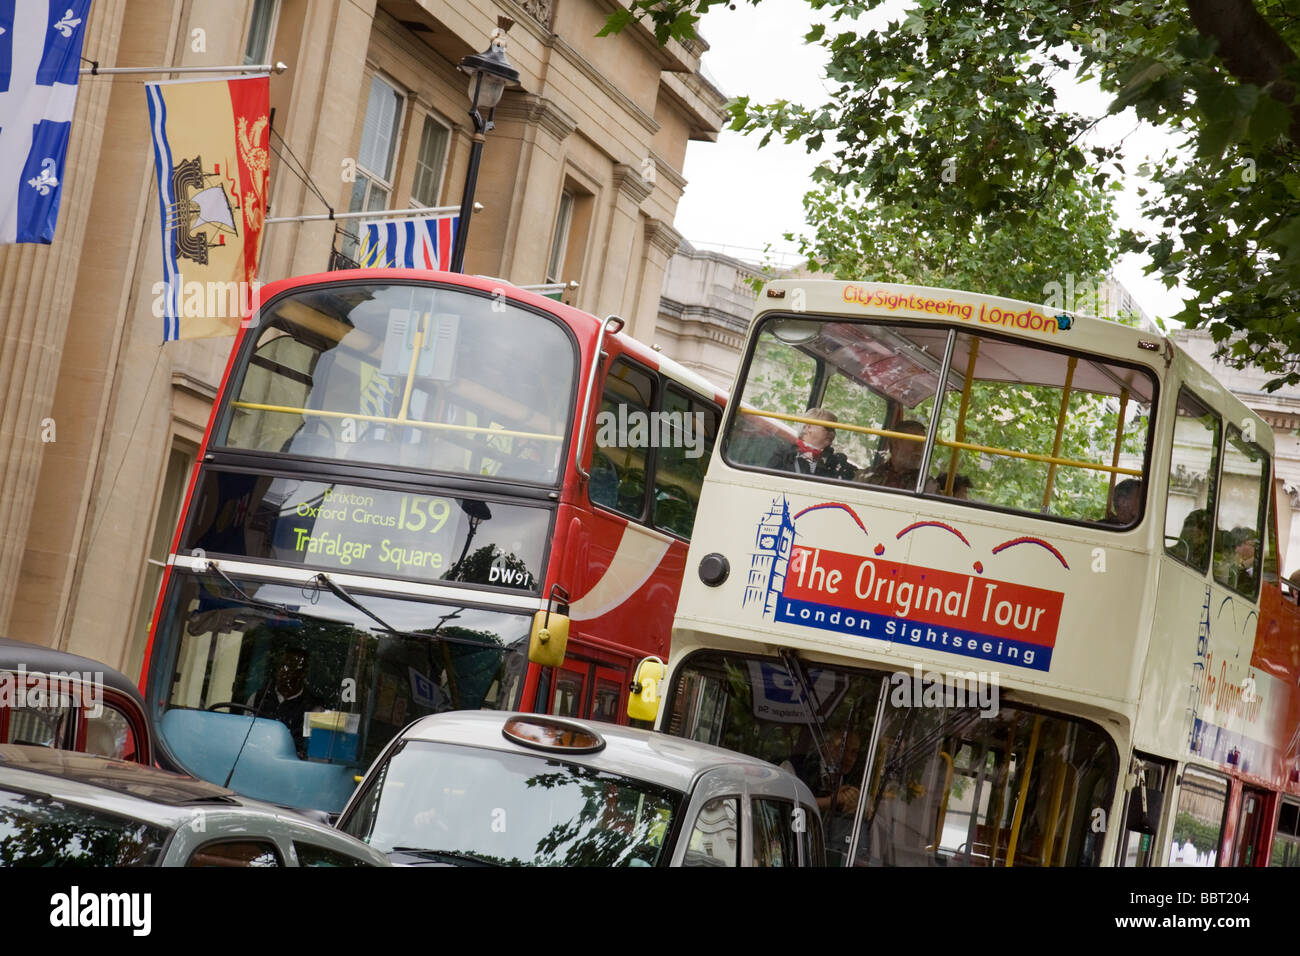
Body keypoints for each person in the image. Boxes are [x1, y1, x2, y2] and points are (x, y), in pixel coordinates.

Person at [247, 645, 322, 758]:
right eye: (282, 666)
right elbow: (245, 736)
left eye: (291, 667)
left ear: (303, 674)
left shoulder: (313, 709)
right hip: (255, 757)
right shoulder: (257, 698)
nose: (284, 671)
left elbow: (310, 751)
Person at [767, 408, 853, 479]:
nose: (832, 433)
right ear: (808, 428)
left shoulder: (836, 462)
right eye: (828, 428)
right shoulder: (784, 454)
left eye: (834, 430)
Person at [859, 420, 937, 492]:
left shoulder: (927, 484)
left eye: (922, 444)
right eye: (915, 442)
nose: (919, 450)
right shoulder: (868, 476)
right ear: (895, 443)